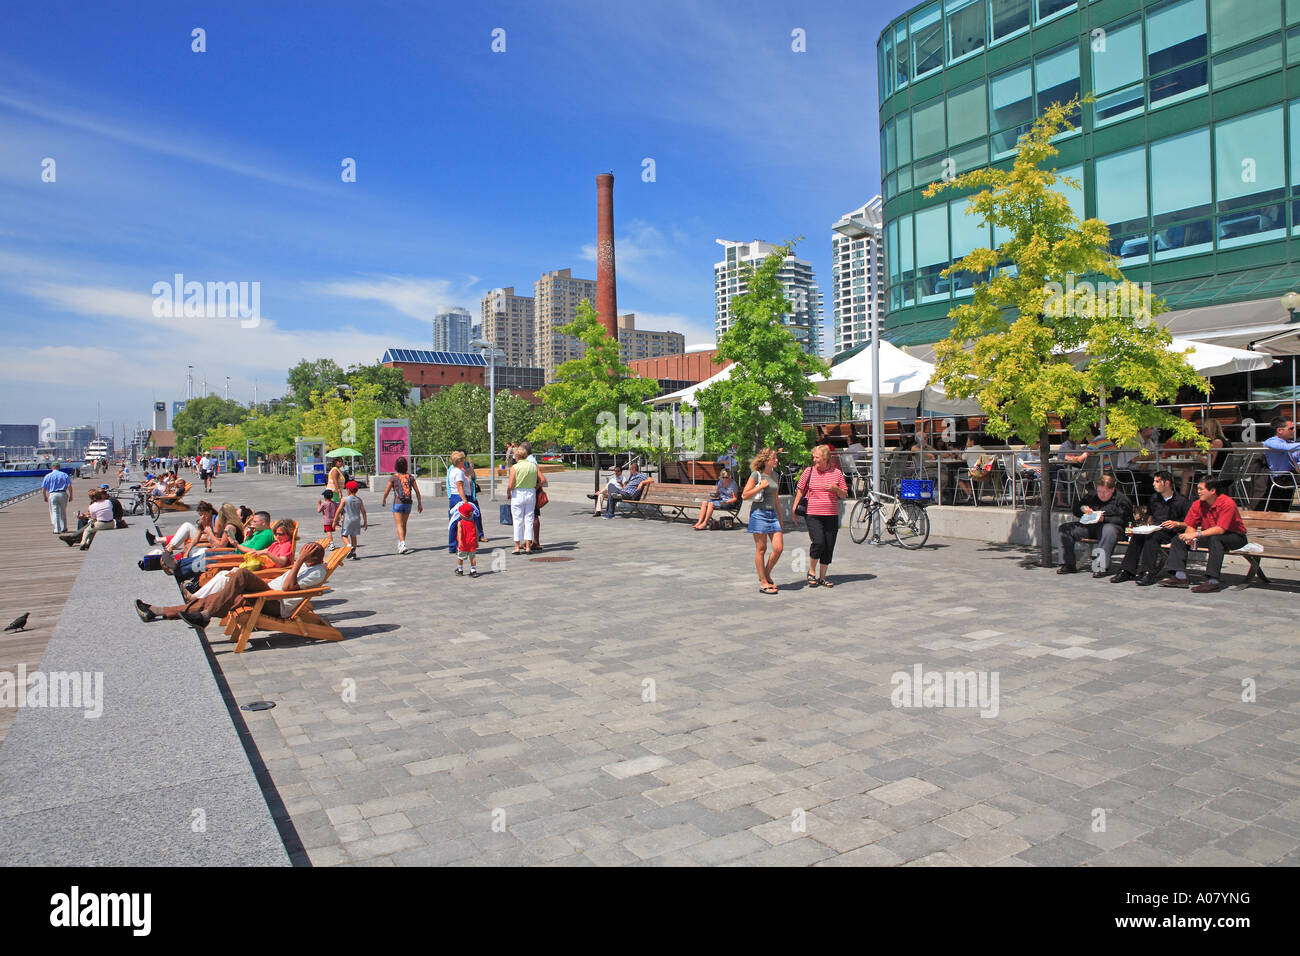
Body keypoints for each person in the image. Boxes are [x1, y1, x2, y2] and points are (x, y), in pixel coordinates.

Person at [134, 542, 328, 629]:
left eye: (305, 553)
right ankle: (157, 610)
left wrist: (299, 561)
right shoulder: (307, 566)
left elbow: (287, 588)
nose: (301, 554)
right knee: (213, 598)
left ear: (312, 558)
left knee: (242, 574)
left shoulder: (317, 571)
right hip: (269, 593)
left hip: (277, 603)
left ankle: (206, 615)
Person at [1159, 477, 1249, 593]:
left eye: (1201, 489)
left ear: (1212, 491)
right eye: (1198, 489)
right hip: (1210, 535)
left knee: (1216, 539)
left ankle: (1213, 581)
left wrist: (1197, 534)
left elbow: (1220, 530)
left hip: (1235, 537)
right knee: (1178, 539)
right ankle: (1180, 577)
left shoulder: (1227, 503)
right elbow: (1191, 524)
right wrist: (1189, 536)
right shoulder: (1198, 504)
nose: (1198, 492)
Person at [1110, 470, 1190, 585]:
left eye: (1157, 481)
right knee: (1138, 535)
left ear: (1166, 483)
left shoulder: (1182, 500)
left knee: (1152, 537)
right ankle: (1126, 570)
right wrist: (1145, 526)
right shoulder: (1154, 498)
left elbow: (1189, 522)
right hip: (1155, 528)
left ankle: (1148, 572)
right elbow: (1151, 517)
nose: (1154, 484)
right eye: (1154, 481)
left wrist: (1176, 523)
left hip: (1171, 532)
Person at [791, 444, 849, 587]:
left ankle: (823, 577)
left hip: (831, 514)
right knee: (818, 542)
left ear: (826, 458)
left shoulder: (836, 473)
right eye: (814, 457)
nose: (814, 460)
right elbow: (800, 490)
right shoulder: (809, 471)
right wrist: (794, 508)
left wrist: (836, 489)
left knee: (829, 546)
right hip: (813, 513)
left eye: (817, 457)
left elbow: (844, 494)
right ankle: (811, 572)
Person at [1056, 474, 1133, 576]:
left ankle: (1100, 566)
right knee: (1065, 529)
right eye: (1099, 491)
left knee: (1108, 530)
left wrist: (1104, 519)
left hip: (1113, 528)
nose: (1102, 495)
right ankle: (1067, 564)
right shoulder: (1092, 496)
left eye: (1105, 492)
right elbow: (1076, 510)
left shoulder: (1121, 499)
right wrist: (1083, 509)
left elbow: (1124, 519)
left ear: (1112, 489)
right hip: (1091, 526)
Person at [742, 448, 784, 594]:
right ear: (766, 460)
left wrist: (780, 517)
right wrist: (760, 486)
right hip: (759, 513)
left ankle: (765, 573)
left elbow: (776, 498)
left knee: (778, 548)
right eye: (774, 458)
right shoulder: (756, 475)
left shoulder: (776, 475)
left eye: (776, 458)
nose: (776, 460)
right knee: (761, 549)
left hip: (773, 514)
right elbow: (745, 495)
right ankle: (763, 582)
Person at [506, 442, 546, 554]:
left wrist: (508, 492)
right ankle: (528, 545)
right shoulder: (533, 466)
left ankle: (517, 547)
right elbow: (543, 480)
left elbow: (510, 484)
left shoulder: (515, 467)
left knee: (517, 520)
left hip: (518, 494)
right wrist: (536, 486)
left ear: (517, 456)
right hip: (531, 493)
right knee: (529, 519)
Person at [1256, 414, 1300, 511]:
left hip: (1291, 475)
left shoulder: (1290, 443)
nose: (1294, 430)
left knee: (1283, 507)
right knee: (1279, 507)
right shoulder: (1271, 442)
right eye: (1291, 428)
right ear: (1280, 430)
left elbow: (1295, 456)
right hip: (1281, 477)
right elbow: (1285, 448)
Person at [382, 456, 422, 554]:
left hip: (398, 503)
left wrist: (384, 499)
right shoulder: (410, 477)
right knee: (404, 524)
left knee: (399, 525)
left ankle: (403, 544)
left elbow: (386, 490)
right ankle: (400, 543)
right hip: (408, 503)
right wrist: (419, 503)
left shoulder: (393, 477)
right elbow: (417, 491)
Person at [445, 452, 473, 554]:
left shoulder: (453, 471)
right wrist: (465, 500)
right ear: (459, 461)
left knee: (454, 521)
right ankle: (458, 545)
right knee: (461, 522)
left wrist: (471, 468)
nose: (464, 461)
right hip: (459, 497)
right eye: (463, 460)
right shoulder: (459, 472)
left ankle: (452, 545)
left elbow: (466, 474)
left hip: (453, 497)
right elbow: (460, 486)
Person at [340, 480, 367, 560]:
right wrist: (365, 522)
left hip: (347, 520)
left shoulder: (344, 499)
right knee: (353, 536)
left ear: (348, 490)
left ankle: (349, 546)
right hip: (357, 520)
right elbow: (364, 512)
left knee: (344, 536)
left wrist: (335, 520)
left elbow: (339, 510)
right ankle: (354, 552)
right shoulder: (359, 499)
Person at [42, 465, 73, 534]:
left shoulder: (48, 476)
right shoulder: (64, 475)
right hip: (62, 493)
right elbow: (69, 486)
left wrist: (45, 496)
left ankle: (57, 529)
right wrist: (71, 495)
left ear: (52, 467)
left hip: (53, 494)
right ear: (59, 467)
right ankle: (64, 527)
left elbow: (44, 488)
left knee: (55, 511)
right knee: (63, 511)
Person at [453, 500, 479, 578]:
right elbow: (476, 532)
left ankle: (460, 570)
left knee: (460, 557)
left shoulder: (460, 523)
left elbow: (459, 533)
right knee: (473, 557)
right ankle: (473, 570)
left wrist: (460, 541)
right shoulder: (473, 522)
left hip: (463, 544)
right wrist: (476, 541)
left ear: (462, 515)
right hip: (472, 543)